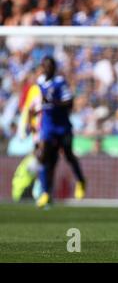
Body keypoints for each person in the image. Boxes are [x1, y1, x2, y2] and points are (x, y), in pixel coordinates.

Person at [35, 56, 87, 208]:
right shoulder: (39, 81)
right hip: (48, 126)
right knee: (45, 157)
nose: (47, 68)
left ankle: (81, 181)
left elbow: (69, 102)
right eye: (45, 66)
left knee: (68, 155)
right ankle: (45, 192)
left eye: (50, 66)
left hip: (62, 126)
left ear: (54, 67)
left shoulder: (60, 82)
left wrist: (53, 103)